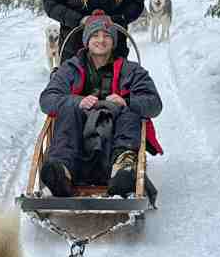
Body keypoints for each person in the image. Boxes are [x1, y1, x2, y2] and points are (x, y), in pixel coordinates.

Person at [38, 11, 162, 198]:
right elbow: (47, 100)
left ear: (113, 42)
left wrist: (126, 101)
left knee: (129, 110)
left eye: (106, 36)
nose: (101, 40)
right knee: (68, 108)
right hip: (76, 153)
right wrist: (77, 101)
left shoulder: (132, 70)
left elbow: (154, 104)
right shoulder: (69, 68)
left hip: (112, 149)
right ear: (86, 41)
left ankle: (124, 170)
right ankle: (61, 173)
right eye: (95, 35)